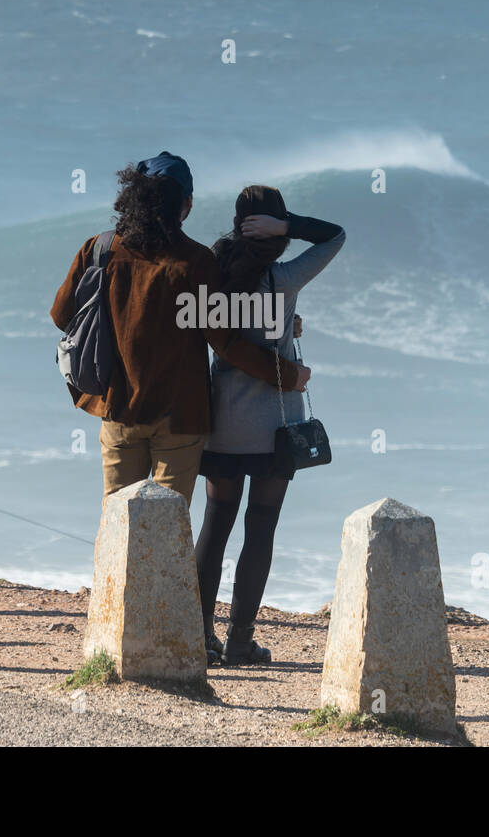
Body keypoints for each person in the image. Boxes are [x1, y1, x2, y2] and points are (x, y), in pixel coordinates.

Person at [50, 152, 310, 511]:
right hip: (180, 416)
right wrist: (288, 373)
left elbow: (62, 316)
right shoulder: (194, 261)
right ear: (185, 204)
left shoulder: (99, 249)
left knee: (118, 523)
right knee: (167, 523)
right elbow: (226, 341)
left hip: (118, 407)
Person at [194, 187, 344, 666]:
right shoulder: (282, 280)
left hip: (222, 423)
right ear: (271, 230)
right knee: (261, 528)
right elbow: (335, 237)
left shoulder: (215, 274)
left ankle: (198, 634)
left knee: (215, 527)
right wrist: (290, 226)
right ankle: (240, 640)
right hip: (275, 424)